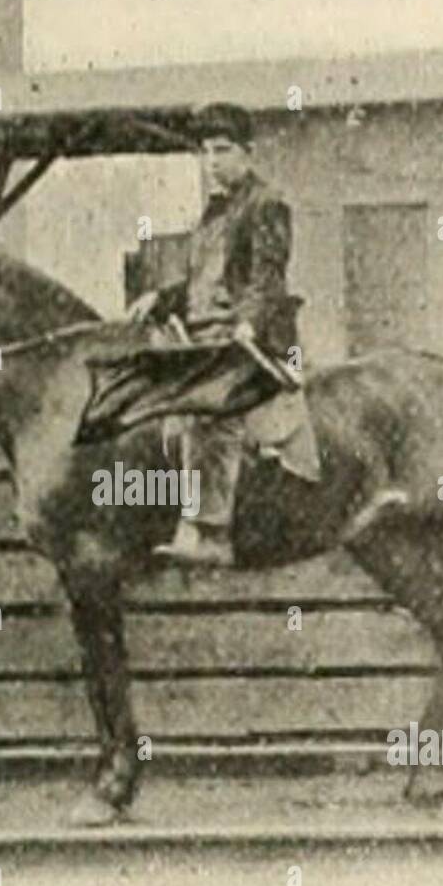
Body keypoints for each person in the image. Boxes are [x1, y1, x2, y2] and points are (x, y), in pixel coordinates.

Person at [128, 102, 304, 566]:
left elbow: (269, 278)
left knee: (211, 410)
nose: (213, 161)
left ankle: (211, 535)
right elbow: (198, 282)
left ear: (247, 152)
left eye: (223, 150)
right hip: (205, 334)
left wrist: (246, 322)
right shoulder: (212, 213)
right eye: (206, 152)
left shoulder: (266, 204)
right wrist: (160, 298)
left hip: (252, 338)